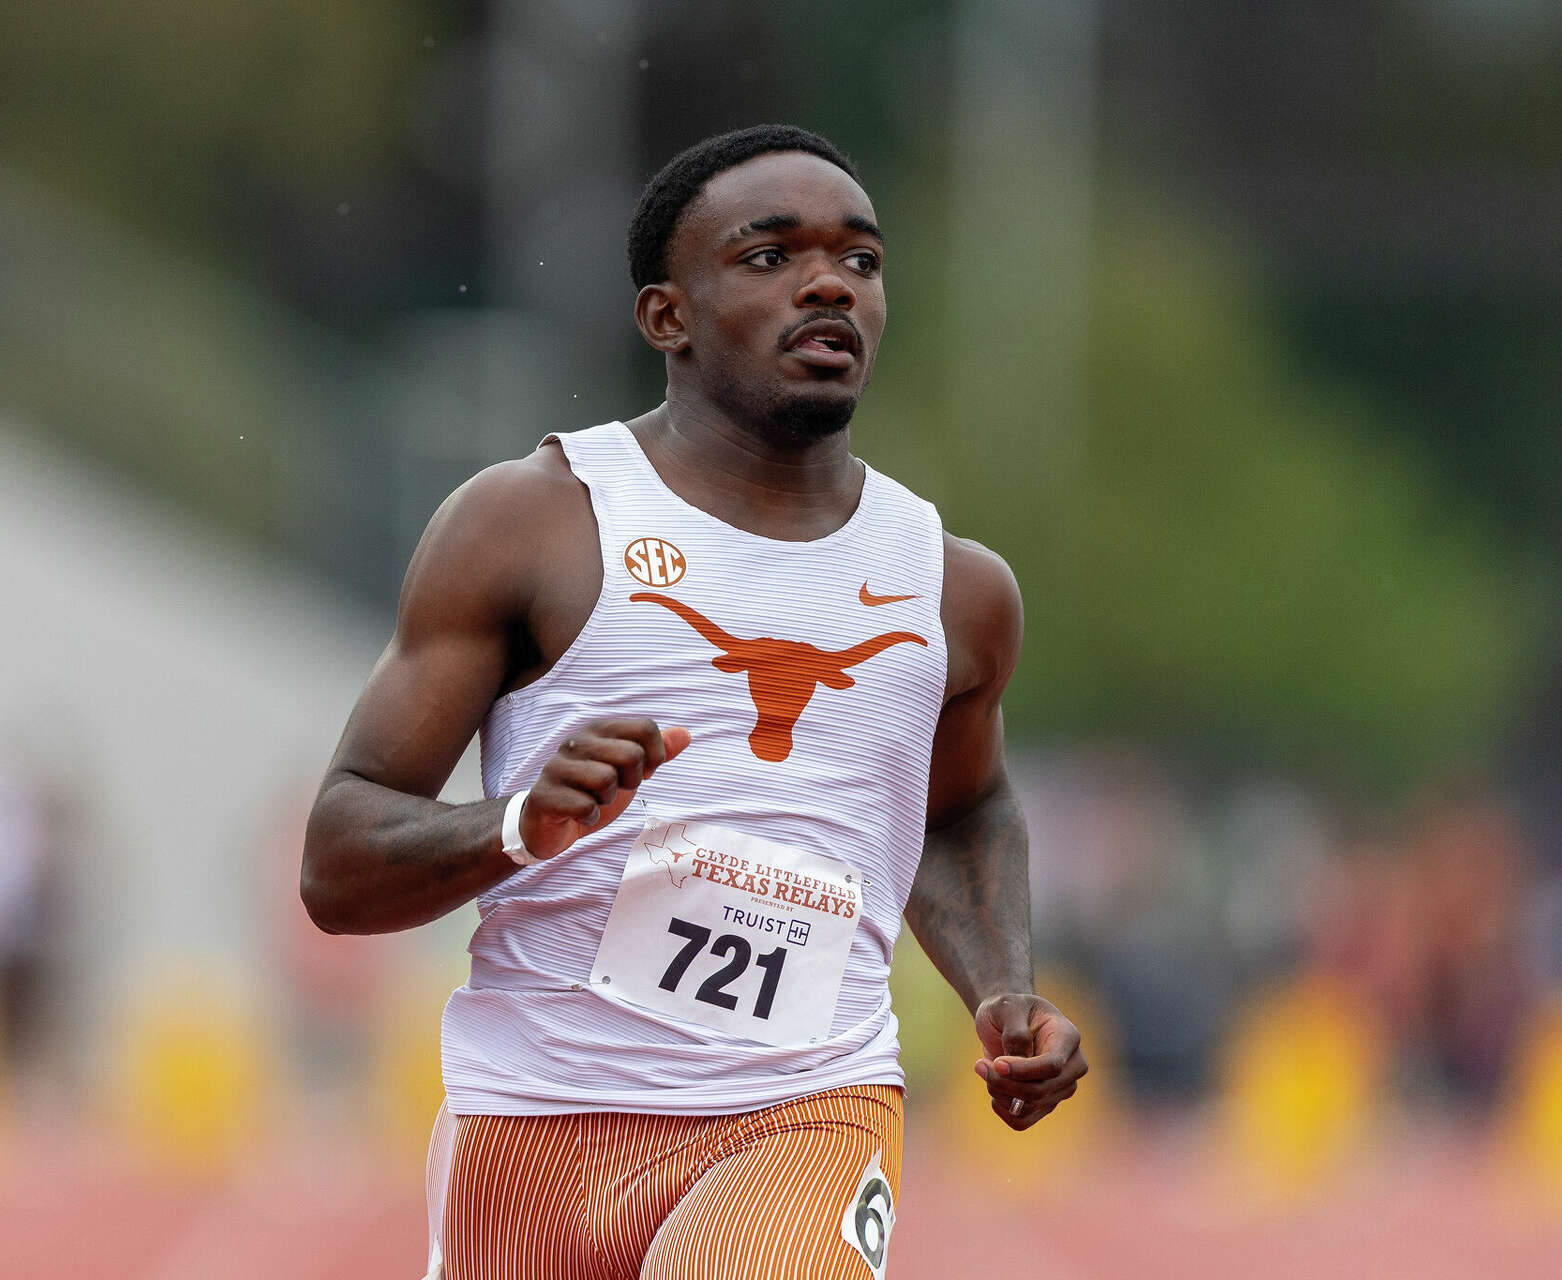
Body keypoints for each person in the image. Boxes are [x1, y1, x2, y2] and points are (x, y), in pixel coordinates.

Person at [302, 124, 1087, 1280]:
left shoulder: (954, 587)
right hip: (534, 1119)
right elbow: (337, 861)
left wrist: (1005, 990)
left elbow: (960, 811)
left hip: (806, 1106)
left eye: (859, 262)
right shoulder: (533, 525)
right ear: (666, 316)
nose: (828, 282)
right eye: (771, 256)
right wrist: (518, 821)